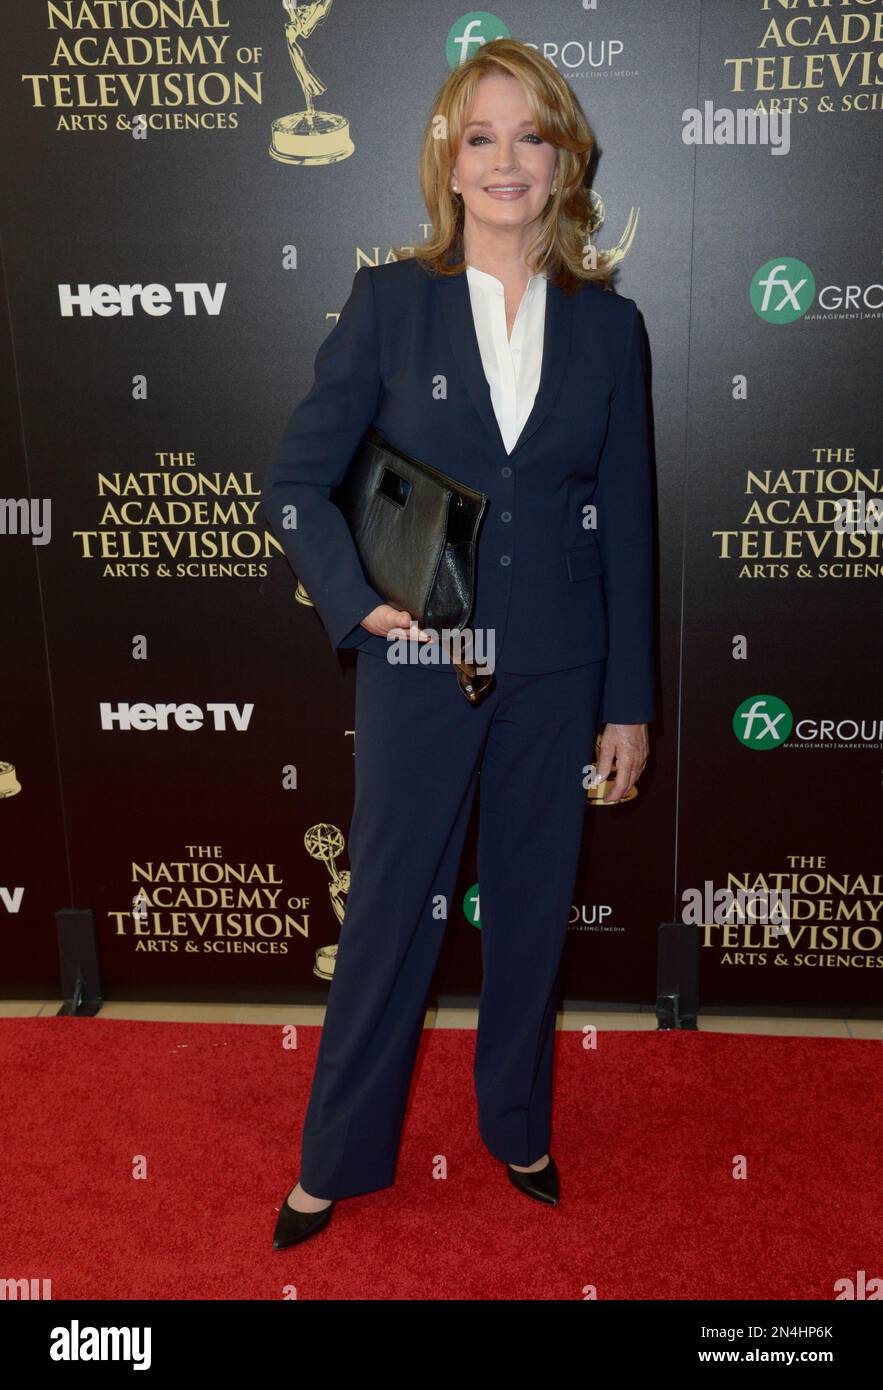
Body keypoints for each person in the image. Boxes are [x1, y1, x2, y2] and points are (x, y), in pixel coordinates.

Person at [261, 37, 656, 1249]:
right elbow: (293, 483)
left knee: (533, 908)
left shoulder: (611, 326)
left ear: (562, 159)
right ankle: (335, 1157)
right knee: (388, 911)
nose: (504, 159)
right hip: (422, 657)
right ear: (448, 154)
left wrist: (627, 700)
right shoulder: (392, 300)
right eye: (480, 135)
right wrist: (353, 598)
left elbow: (631, 522)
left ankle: (517, 1126)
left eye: (528, 135)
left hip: (558, 663)